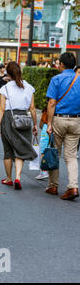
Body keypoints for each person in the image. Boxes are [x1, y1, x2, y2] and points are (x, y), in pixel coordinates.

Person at [0, 61, 38, 190]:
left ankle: (9, 179)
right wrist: (35, 124)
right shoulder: (29, 87)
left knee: (8, 150)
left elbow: (1, 109)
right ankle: (18, 177)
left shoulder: (6, 88)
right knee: (20, 148)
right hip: (24, 119)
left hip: (9, 119)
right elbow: (33, 108)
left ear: (9, 73)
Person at [45, 52, 80, 200]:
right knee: (71, 156)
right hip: (76, 120)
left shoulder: (56, 79)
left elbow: (52, 103)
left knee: (55, 152)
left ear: (62, 65)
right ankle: (73, 187)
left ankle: (53, 186)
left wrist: (49, 123)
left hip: (59, 119)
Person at [35, 105, 50, 180]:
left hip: (46, 130)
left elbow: (41, 124)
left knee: (43, 151)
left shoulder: (46, 110)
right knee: (51, 151)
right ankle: (50, 171)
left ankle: (43, 172)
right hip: (55, 130)